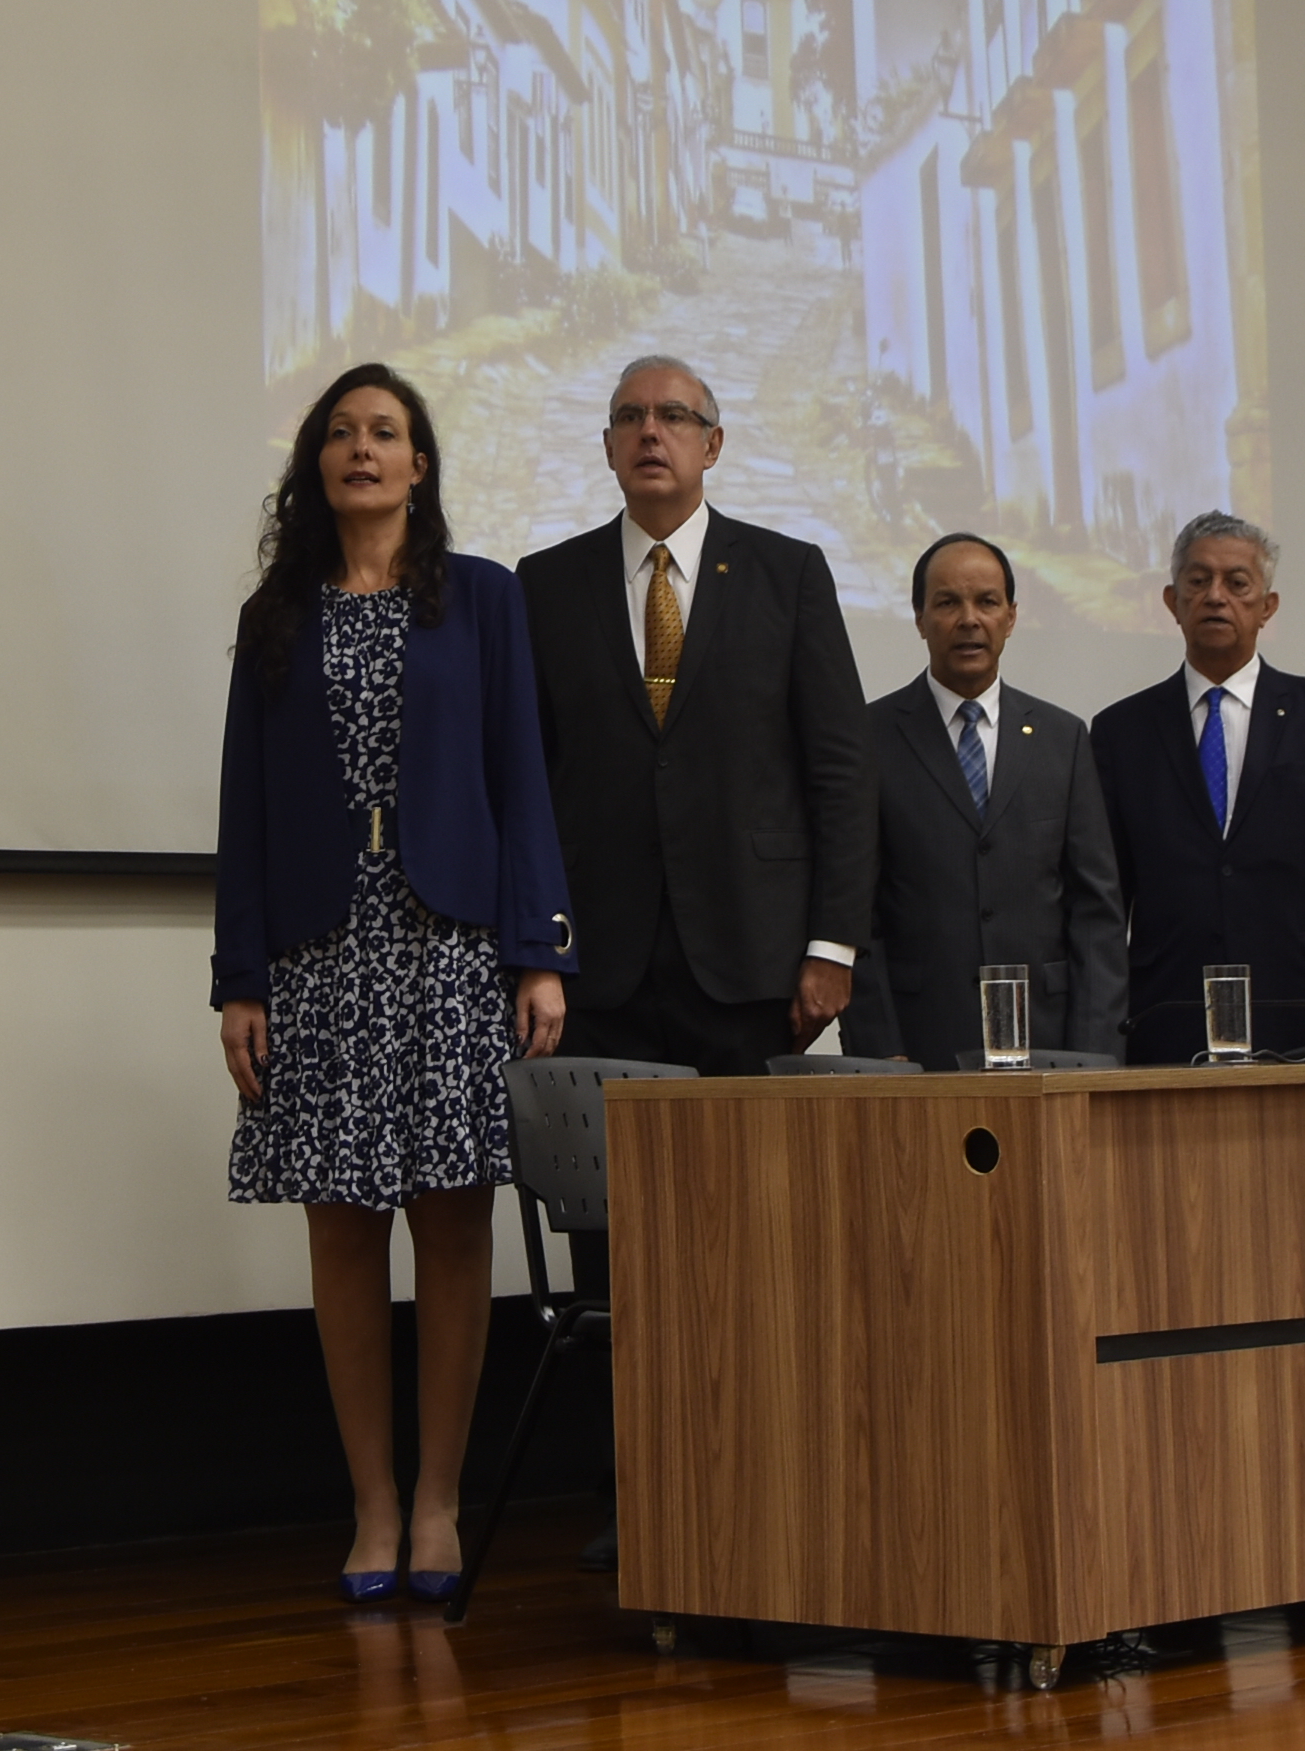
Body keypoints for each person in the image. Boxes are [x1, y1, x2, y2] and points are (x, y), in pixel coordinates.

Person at [214, 364, 572, 1605]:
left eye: (387, 432)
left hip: (450, 947)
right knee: (341, 1227)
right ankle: (370, 1506)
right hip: (320, 954)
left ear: (420, 466)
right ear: (316, 464)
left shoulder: (480, 602)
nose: (362, 449)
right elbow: (244, 815)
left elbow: (520, 779)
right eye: (341, 433)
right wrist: (237, 978)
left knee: (454, 1221)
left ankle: (437, 1503)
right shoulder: (276, 616)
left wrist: (539, 950)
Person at [515, 354, 873, 1075]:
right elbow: (524, 782)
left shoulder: (789, 573)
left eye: (674, 416)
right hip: (595, 966)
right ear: (609, 446)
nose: (651, 432)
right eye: (630, 417)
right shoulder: (545, 583)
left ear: (712, 445)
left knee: (746, 1187)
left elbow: (842, 770)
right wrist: (531, 950)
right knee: (609, 1188)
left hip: (751, 961)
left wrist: (831, 948)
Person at [1089, 511, 1305, 1061]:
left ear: (1267, 607)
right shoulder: (1122, 730)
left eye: (1237, 584)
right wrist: (1102, 1026)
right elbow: (1108, 899)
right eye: (1198, 580)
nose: (1216, 596)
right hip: (1167, 1016)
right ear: (1172, 600)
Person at [843, 533, 1128, 1068]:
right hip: (919, 1044)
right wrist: (882, 1051)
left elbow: (1097, 916)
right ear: (920, 618)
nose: (969, 619)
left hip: (1049, 1044)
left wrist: (1094, 1056)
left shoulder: (1061, 739)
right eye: (947, 602)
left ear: (1012, 617)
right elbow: (856, 913)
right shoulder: (869, 737)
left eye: (987, 602)